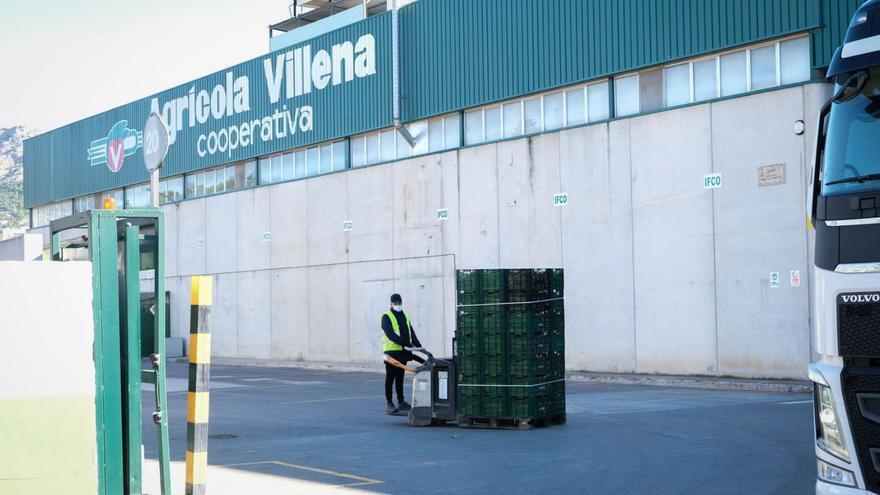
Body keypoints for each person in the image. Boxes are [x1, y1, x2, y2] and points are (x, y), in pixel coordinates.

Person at [381, 293, 425, 415]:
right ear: (391, 304)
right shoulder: (386, 316)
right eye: (395, 303)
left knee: (400, 377)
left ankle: (401, 402)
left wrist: (418, 346)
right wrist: (405, 342)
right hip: (391, 352)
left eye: (399, 303)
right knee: (390, 377)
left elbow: (411, 332)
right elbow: (390, 334)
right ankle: (389, 403)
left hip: (403, 351)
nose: (398, 305)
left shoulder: (405, 316)